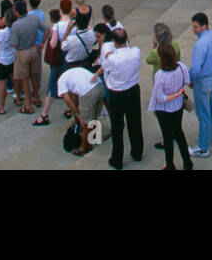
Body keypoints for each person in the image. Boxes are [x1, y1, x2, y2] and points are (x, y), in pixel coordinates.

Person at [101, 28, 144, 170]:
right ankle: (137, 152)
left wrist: (107, 51)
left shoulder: (113, 58)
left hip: (117, 94)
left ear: (114, 42)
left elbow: (105, 65)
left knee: (117, 127)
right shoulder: (136, 52)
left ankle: (117, 159)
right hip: (133, 90)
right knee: (135, 123)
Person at [148, 41, 193, 170]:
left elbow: (160, 97)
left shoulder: (160, 76)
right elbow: (187, 81)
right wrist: (179, 92)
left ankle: (169, 164)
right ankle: (187, 162)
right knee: (179, 132)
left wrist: (175, 93)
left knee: (167, 137)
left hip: (164, 110)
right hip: (178, 107)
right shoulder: (181, 67)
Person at [188, 12, 212, 158]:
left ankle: (203, 147)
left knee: (203, 114)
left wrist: (191, 80)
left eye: (195, 27)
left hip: (203, 81)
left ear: (204, 26)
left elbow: (195, 67)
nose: (193, 29)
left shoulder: (200, 44)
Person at [34, 7, 74, 125]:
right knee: (68, 83)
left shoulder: (56, 28)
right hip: (69, 57)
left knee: (52, 85)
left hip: (58, 59)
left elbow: (53, 44)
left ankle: (45, 114)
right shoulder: (72, 25)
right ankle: (69, 109)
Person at [59, 65, 107, 156]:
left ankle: (83, 149)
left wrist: (78, 116)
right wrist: (77, 115)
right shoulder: (73, 74)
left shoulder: (61, 82)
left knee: (86, 123)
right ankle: (91, 142)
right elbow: (75, 97)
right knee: (93, 119)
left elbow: (68, 101)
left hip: (88, 92)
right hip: (99, 87)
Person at [9, 0, 44, 112]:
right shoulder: (34, 18)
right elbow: (47, 29)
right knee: (34, 76)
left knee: (24, 79)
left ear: (17, 12)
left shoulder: (16, 25)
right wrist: (42, 43)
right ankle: (37, 99)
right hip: (33, 49)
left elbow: (13, 44)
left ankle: (28, 105)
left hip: (22, 52)